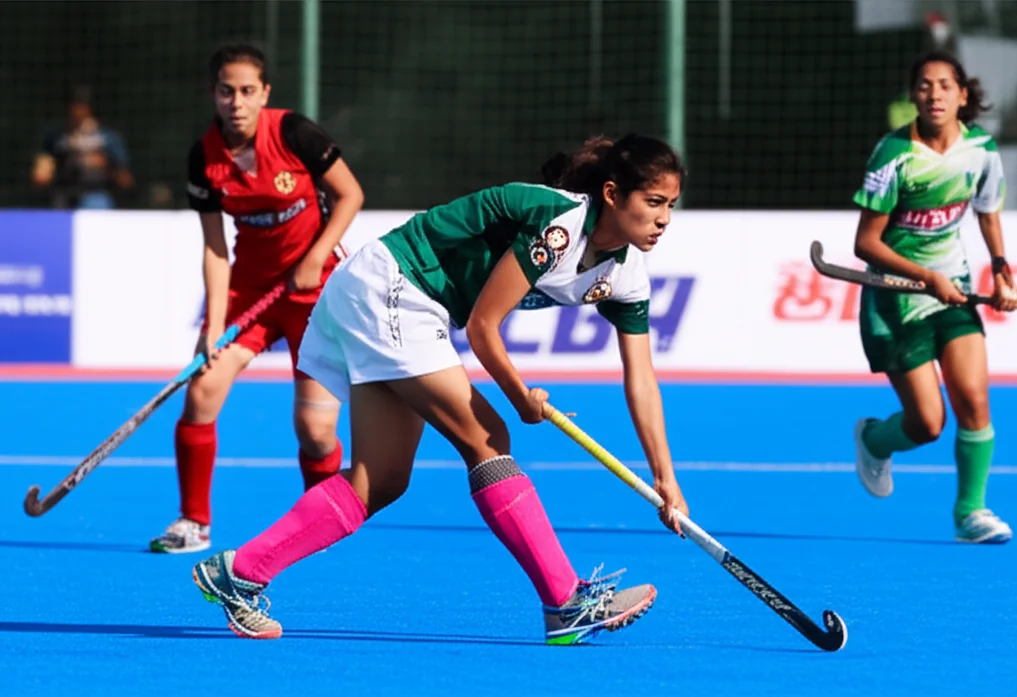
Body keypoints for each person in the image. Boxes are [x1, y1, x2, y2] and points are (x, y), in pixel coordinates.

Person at [190, 133, 690, 644]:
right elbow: (482, 327)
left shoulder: (628, 275)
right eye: (653, 203)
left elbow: (642, 378)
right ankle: (564, 601)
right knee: (488, 439)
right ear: (612, 194)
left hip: (398, 300)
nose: (664, 219)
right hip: (396, 283)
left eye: (670, 205)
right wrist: (521, 399)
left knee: (380, 480)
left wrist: (665, 477)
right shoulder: (559, 223)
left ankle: (241, 572)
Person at [149, 44, 365, 553]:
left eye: (248, 91)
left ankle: (320, 518)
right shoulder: (203, 157)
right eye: (227, 91)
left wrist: (316, 257)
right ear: (213, 94)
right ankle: (193, 522)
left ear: (264, 93)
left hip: (316, 295)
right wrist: (213, 323)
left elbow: (350, 194)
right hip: (253, 292)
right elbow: (215, 249)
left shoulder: (295, 133)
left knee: (314, 430)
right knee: (201, 390)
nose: (237, 102)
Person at [851, 50, 1017, 544]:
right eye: (924, 86)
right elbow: (866, 244)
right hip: (896, 299)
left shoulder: (982, 149)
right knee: (927, 424)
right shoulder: (893, 155)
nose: (934, 94)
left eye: (945, 85)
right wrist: (926, 277)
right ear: (914, 97)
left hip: (956, 292)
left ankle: (971, 513)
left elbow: (988, 213)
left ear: (963, 95)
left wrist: (1002, 270)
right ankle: (873, 438)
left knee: (974, 400)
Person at [30, 85, 134, 210]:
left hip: (96, 196)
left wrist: (105, 165)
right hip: (63, 196)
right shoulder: (55, 138)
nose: (76, 112)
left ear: (89, 109)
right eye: (73, 107)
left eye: (81, 107)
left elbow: (126, 181)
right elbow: (41, 174)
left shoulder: (107, 138)